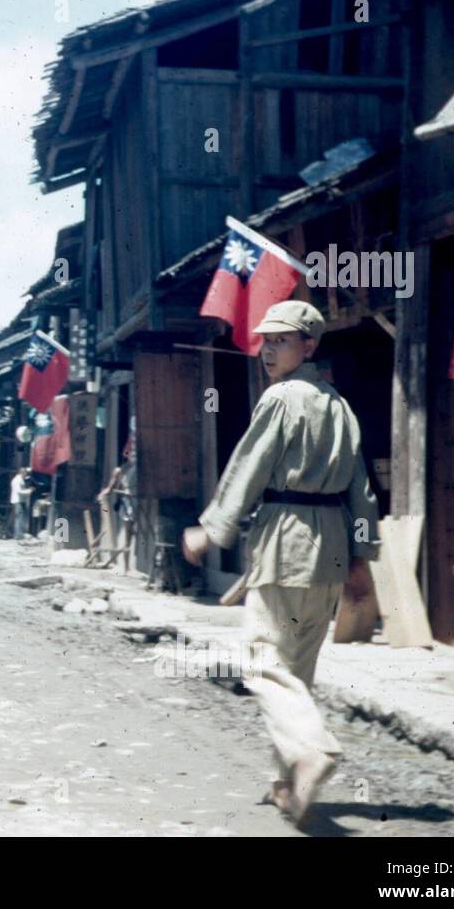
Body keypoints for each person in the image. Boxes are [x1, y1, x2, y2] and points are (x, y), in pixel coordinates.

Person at [181, 301, 379, 828]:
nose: (268, 350)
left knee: (264, 661)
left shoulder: (282, 399)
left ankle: (310, 750)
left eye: (282, 341)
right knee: (297, 671)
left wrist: (214, 529)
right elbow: (361, 489)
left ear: (309, 345)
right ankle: (286, 782)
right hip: (330, 549)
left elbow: (250, 465)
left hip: (287, 541)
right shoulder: (338, 405)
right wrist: (362, 559)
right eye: (265, 341)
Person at [10, 467, 33, 539]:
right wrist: (29, 491)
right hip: (18, 501)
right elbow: (19, 491)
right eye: (26, 473)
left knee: (20, 518)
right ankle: (18, 535)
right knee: (19, 518)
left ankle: (19, 534)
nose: (26, 475)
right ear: (22, 473)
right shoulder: (17, 480)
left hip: (20, 501)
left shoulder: (19, 479)